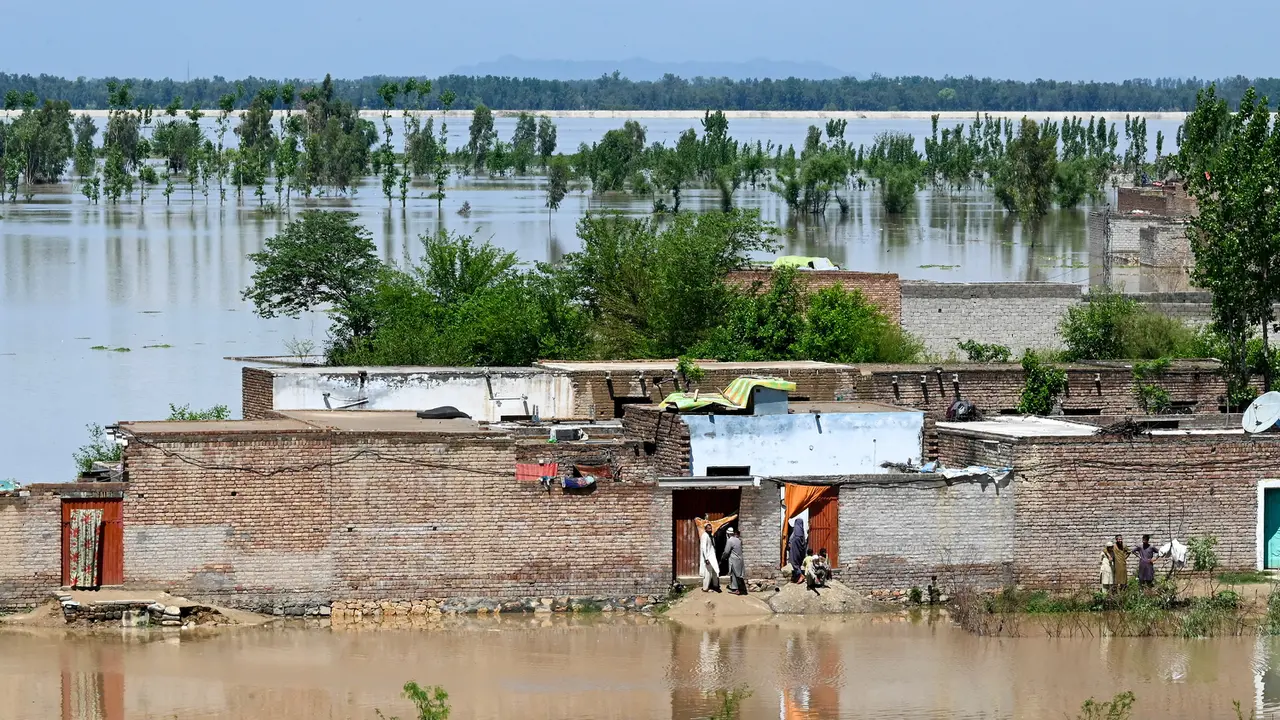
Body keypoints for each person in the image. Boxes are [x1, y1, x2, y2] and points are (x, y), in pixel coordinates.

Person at [721, 527, 746, 595]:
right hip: (739, 559)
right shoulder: (738, 540)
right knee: (736, 574)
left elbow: (726, 552)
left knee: (734, 574)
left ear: (728, 534)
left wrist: (723, 558)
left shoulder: (730, 541)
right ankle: (737, 588)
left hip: (734, 560)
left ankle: (736, 589)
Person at [699, 522, 721, 593]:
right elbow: (703, 548)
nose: (710, 529)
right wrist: (706, 559)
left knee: (715, 571)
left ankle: (715, 585)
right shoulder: (704, 536)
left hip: (712, 556)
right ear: (705, 529)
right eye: (708, 528)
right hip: (708, 557)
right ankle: (705, 588)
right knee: (708, 572)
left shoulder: (710, 535)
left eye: (711, 528)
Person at [787, 518, 808, 583]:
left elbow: (792, 540)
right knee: (798, 563)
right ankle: (797, 576)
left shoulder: (795, 533)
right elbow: (804, 542)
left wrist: (790, 543)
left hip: (795, 551)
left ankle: (801, 575)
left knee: (794, 562)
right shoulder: (802, 532)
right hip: (800, 552)